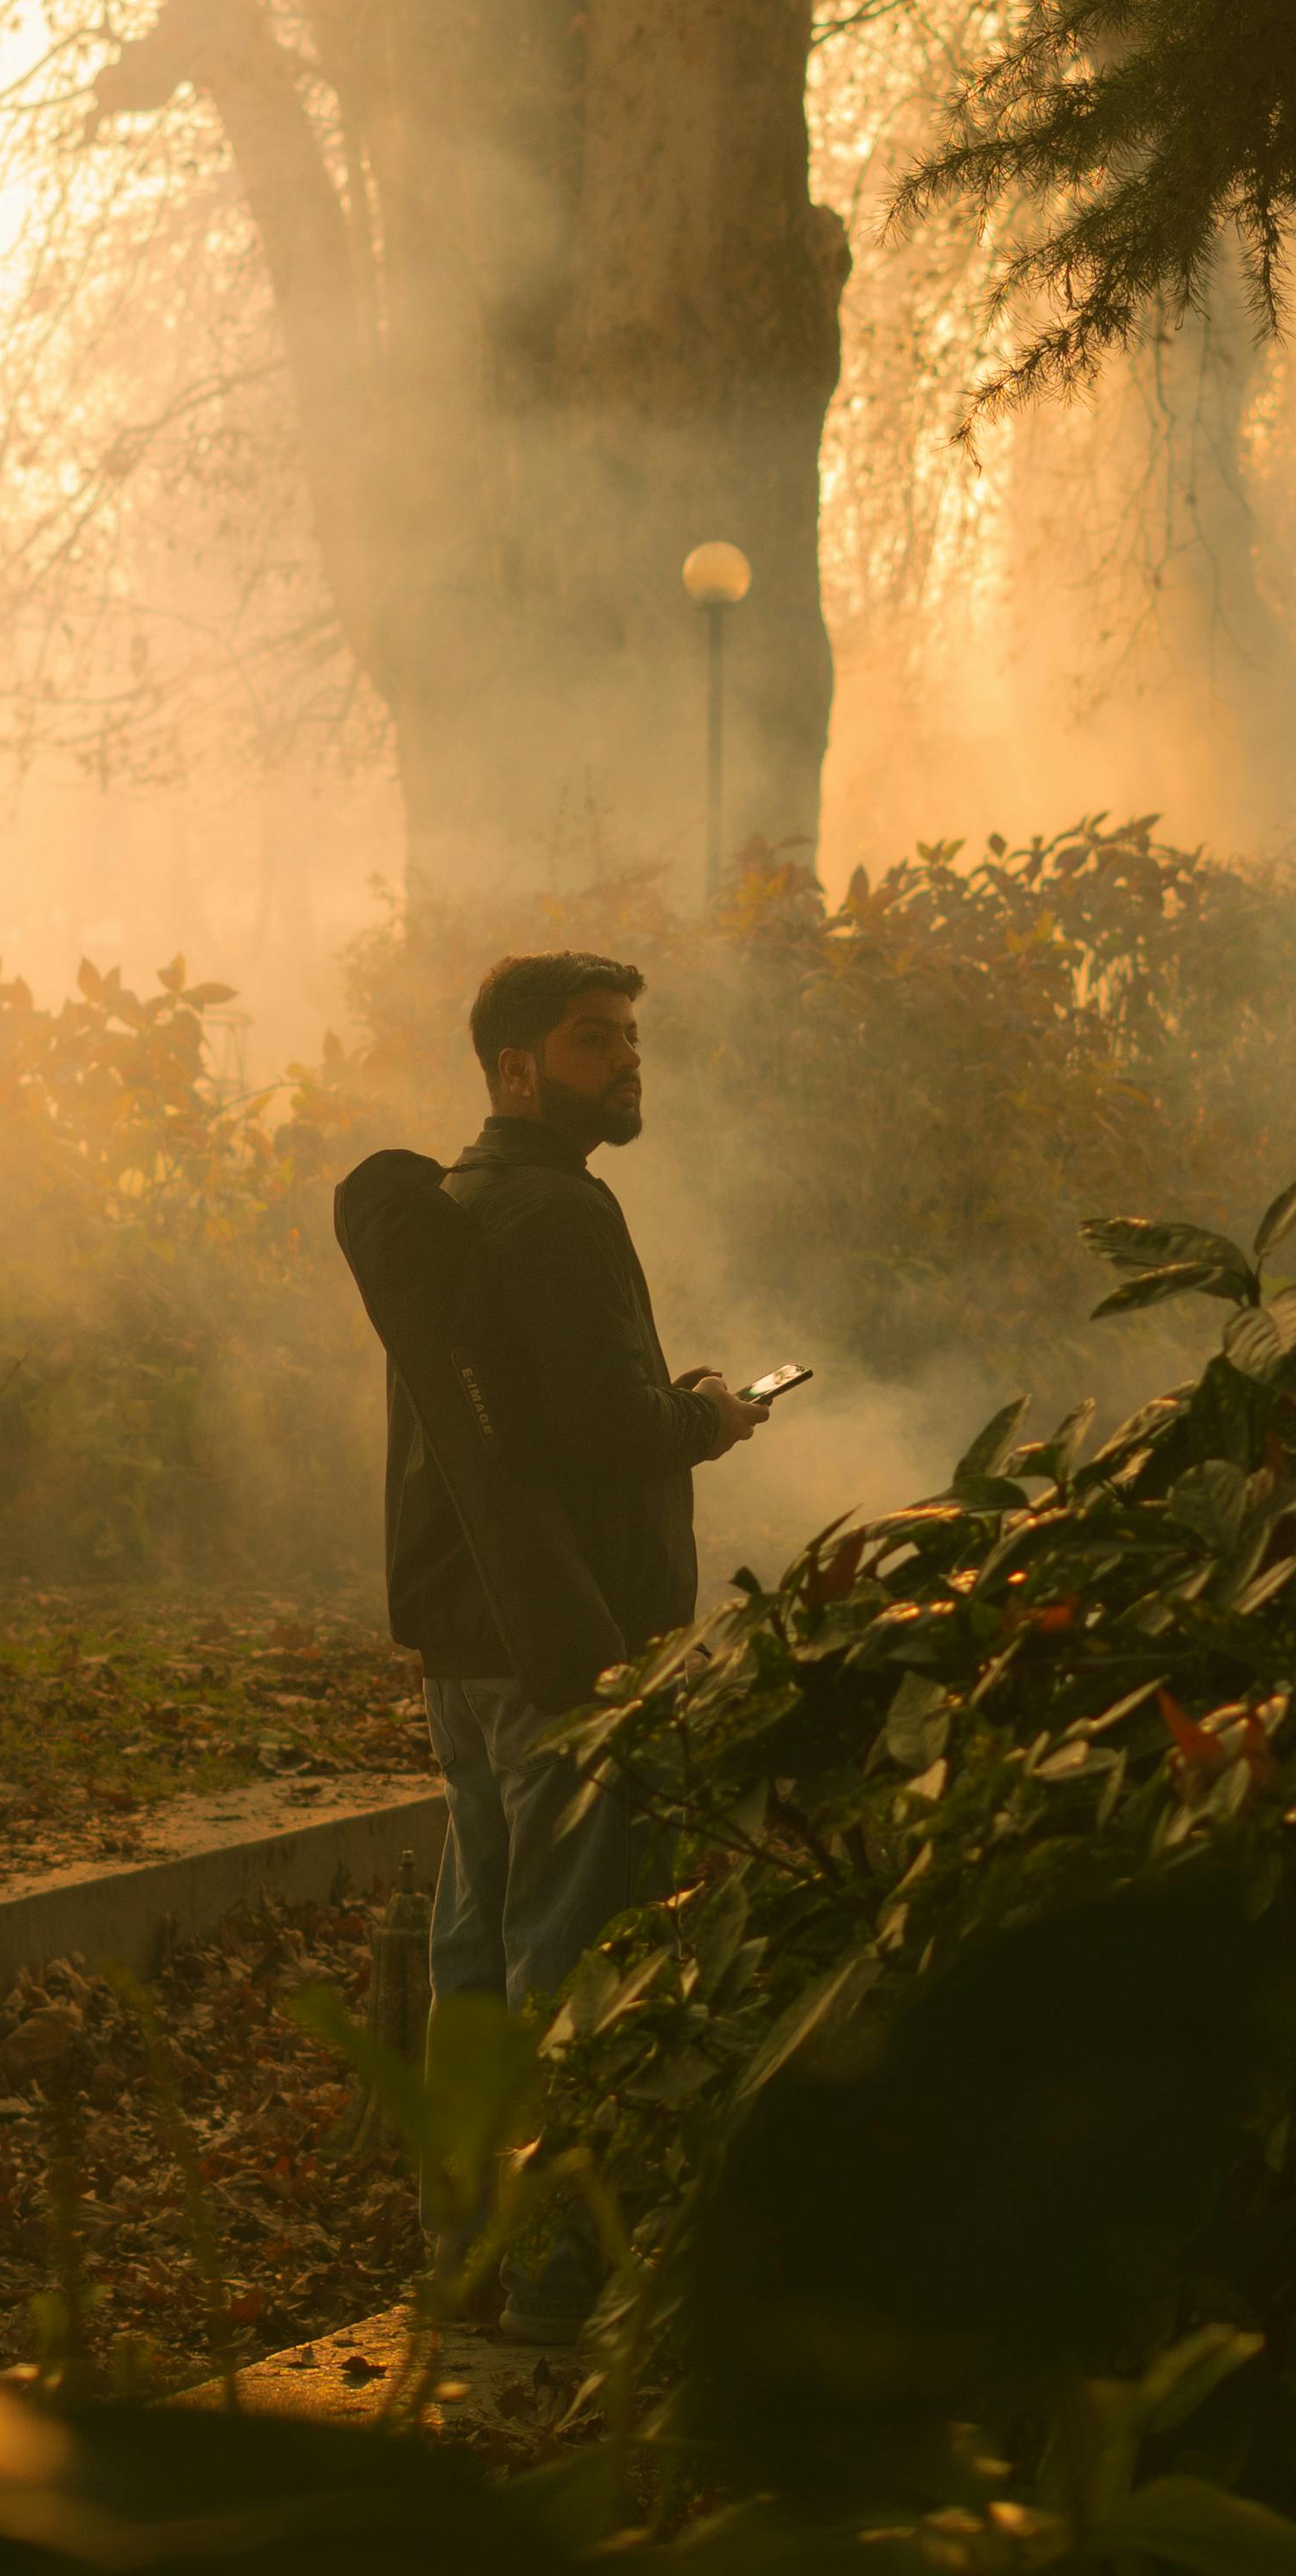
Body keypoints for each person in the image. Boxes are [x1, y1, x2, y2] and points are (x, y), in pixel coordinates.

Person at [372, 951, 759, 2339]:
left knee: (472, 1955)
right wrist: (705, 1416)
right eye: (596, 1041)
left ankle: (462, 2257)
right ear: (516, 1069)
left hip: (470, 1645)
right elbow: (603, 1428)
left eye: (631, 1040)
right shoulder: (559, 1216)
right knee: (567, 1957)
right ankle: (553, 2278)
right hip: (566, 1643)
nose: (627, 1062)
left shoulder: (455, 1208)